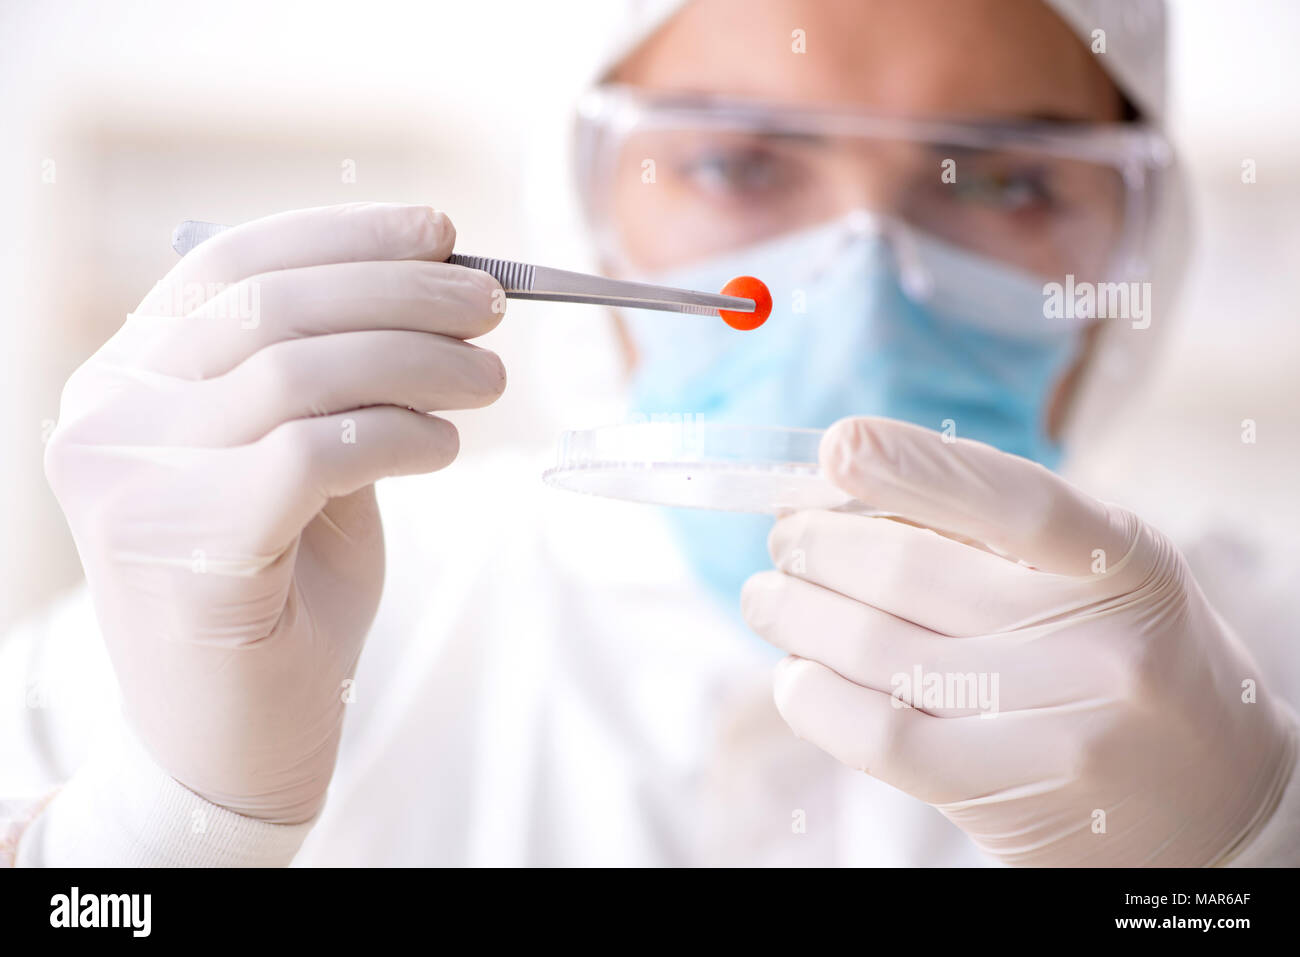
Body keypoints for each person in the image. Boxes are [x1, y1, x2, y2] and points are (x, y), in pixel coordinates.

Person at [3, 0, 1298, 866]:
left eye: (1009, 181)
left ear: (1146, 242)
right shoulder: (230, 632)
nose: (857, 288)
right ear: (578, 199)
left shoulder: (1259, 692)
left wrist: (1237, 856)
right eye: (737, 164)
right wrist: (166, 823)